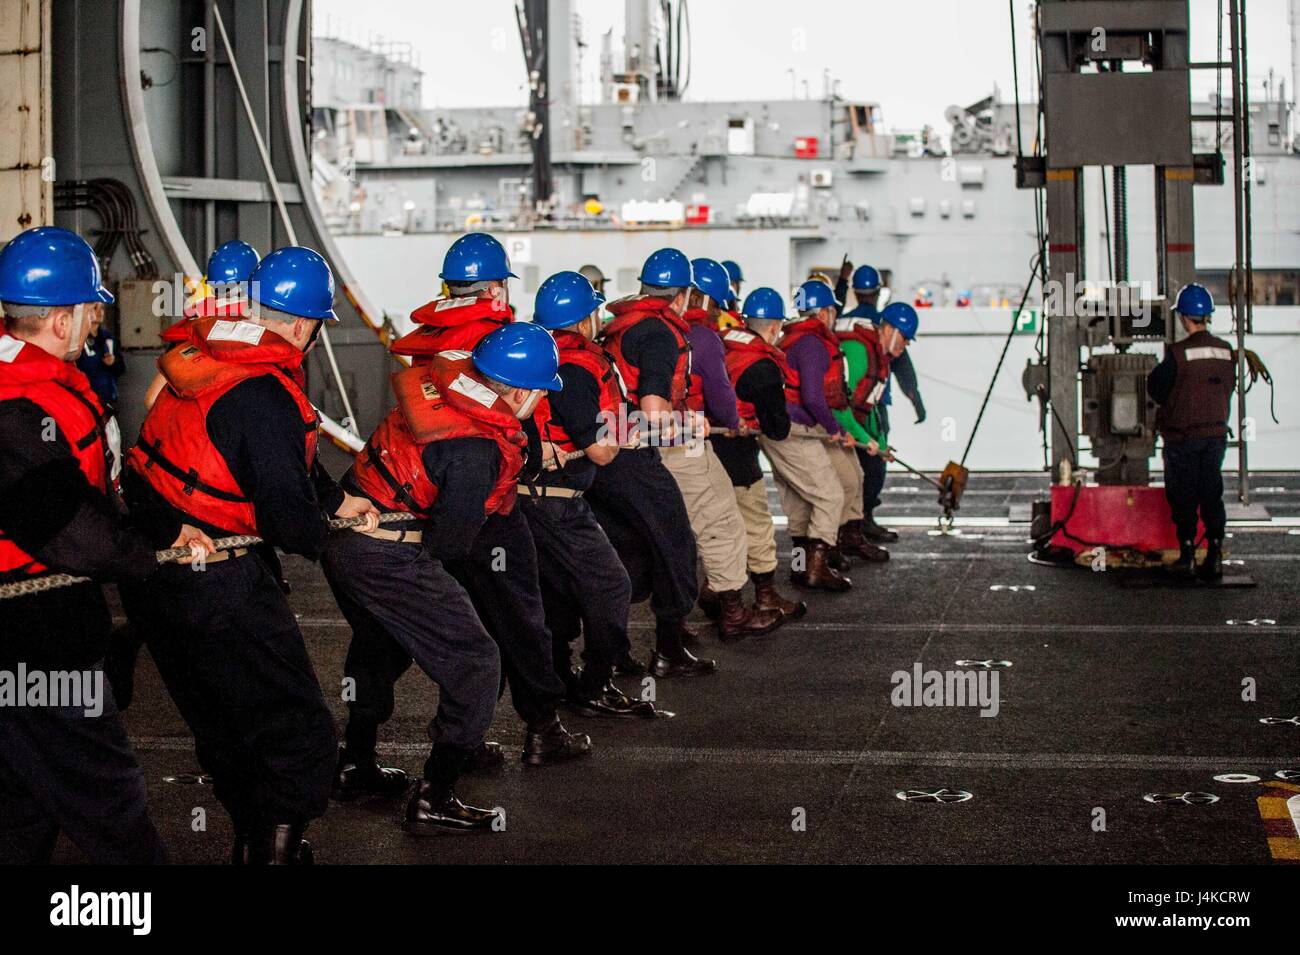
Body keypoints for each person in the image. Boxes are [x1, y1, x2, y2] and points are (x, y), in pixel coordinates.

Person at [121, 246, 380, 865]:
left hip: (159, 567)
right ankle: (277, 853)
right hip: (220, 584)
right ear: (301, 324)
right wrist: (335, 537)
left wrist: (336, 500)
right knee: (297, 727)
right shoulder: (265, 393)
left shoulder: (204, 355)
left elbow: (238, 457)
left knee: (222, 722)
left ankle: (251, 837)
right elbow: (288, 521)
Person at [0, 226, 212, 864]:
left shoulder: (25, 382)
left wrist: (166, 530)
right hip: (33, 629)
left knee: (19, 797)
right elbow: (74, 531)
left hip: (28, 626)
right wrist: (148, 557)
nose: (97, 323)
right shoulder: (20, 409)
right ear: (62, 318)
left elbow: (93, 500)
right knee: (106, 798)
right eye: (93, 311)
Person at [327, 323, 568, 832]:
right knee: (477, 661)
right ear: (522, 391)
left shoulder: (447, 389)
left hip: (349, 546)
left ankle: (355, 764)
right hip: (385, 556)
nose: (541, 401)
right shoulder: (476, 449)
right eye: (542, 391)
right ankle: (435, 794)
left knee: (381, 645)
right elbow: (452, 545)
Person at [386, 232, 591, 763]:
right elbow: (521, 412)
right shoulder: (498, 335)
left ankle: (447, 739)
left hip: (431, 495)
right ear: (497, 286)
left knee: (445, 625)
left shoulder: (429, 334)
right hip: (491, 499)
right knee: (521, 615)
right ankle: (543, 727)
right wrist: (536, 458)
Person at [525, 271, 662, 715]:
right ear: (585, 321)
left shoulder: (543, 358)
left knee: (558, 592)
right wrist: (633, 431)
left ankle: (562, 681)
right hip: (556, 501)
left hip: (536, 498)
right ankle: (594, 684)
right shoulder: (577, 369)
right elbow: (601, 452)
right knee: (610, 586)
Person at [593, 247, 716, 676]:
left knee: (623, 553)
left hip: (599, 462)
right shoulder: (661, 334)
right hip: (630, 459)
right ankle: (668, 651)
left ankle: (609, 655)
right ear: (681, 296)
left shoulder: (622, 327)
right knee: (676, 544)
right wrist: (692, 428)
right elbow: (652, 412)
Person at [674, 257, 782, 639]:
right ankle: (732, 611)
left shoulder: (643, 330)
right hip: (689, 444)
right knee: (725, 524)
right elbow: (720, 398)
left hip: (641, 445)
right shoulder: (703, 338)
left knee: (673, 533)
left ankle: (676, 624)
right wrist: (735, 424)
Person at [759, 279, 862, 589]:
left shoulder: (787, 340)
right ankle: (816, 569)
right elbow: (814, 398)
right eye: (831, 311)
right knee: (830, 496)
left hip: (772, 429)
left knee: (798, 504)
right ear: (825, 312)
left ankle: (800, 567)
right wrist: (834, 429)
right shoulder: (813, 344)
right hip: (794, 431)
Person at [711, 288, 806, 620]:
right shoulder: (762, 367)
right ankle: (765, 597)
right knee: (755, 524)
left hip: (708, 451)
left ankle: (715, 593)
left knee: (719, 527)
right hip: (738, 455)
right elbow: (777, 428)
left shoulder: (725, 344)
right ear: (775, 326)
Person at [1146, 283, 1236, 580]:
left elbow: (1155, 388)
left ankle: (1187, 556)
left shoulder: (1178, 354)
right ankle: (1215, 555)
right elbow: (1228, 388)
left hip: (1183, 437)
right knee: (1212, 493)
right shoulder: (1226, 351)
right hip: (1215, 436)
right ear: (1207, 315)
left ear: (1184, 317)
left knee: (1183, 496)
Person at [835, 262, 926, 543]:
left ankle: (850, 534)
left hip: (861, 413)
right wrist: (916, 401)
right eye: (903, 342)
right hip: (847, 417)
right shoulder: (869, 342)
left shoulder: (852, 325)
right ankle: (845, 536)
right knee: (858, 476)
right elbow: (841, 405)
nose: (903, 348)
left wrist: (879, 442)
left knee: (853, 475)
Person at [76, 307, 124, 412]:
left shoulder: (108, 338)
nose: (99, 312)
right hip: (86, 399)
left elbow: (121, 368)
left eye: (102, 308)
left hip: (107, 397)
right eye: (95, 308)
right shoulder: (78, 338)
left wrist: (113, 363)